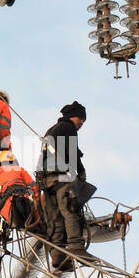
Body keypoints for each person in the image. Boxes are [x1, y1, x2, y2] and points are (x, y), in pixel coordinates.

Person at [35, 101, 98, 264]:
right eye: (81, 119)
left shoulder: (51, 130)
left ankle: (57, 254)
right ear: (72, 117)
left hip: (47, 180)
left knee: (54, 215)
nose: (82, 123)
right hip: (62, 177)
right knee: (70, 210)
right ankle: (76, 247)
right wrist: (81, 170)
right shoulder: (68, 128)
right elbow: (71, 153)